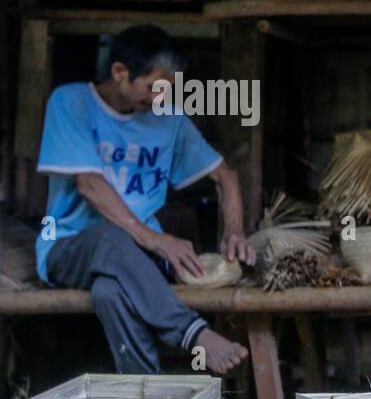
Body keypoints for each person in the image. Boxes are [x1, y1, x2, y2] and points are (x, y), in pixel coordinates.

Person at [35, 25, 255, 375]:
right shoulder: (70, 102)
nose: (158, 99)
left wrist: (235, 231)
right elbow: (89, 184)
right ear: (120, 72)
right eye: (152, 87)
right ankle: (193, 332)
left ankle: (149, 397)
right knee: (111, 239)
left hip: (139, 258)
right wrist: (157, 239)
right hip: (67, 247)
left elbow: (225, 176)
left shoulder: (169, 118)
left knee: (109, 291)